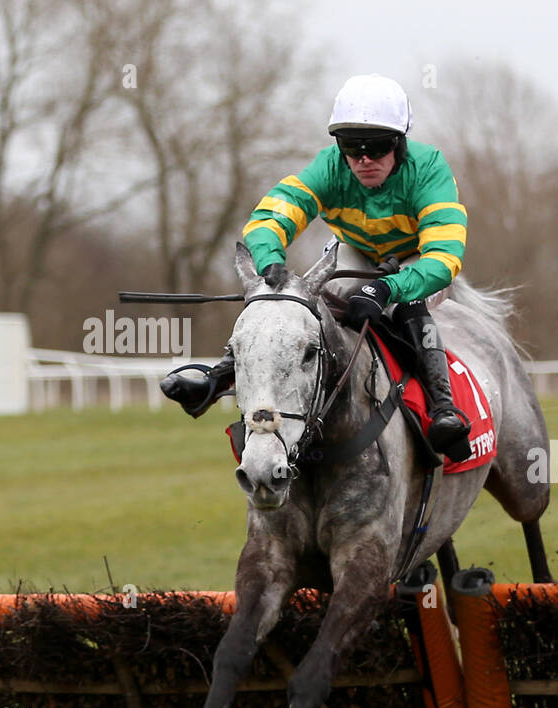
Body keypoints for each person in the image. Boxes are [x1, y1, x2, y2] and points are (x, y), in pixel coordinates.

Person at [161, 74, 473, 460]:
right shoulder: (329, 167)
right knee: (298, 300)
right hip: (356, 251)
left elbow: (443, 258)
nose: (362, 159)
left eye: (377, 147)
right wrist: (269, 259)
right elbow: (270, 216)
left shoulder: (429, 169)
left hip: (417, 260)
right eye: (350, 147)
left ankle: (443, 408)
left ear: (400, 144)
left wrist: (388, 288)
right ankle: (218, 377)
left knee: (407, 305)